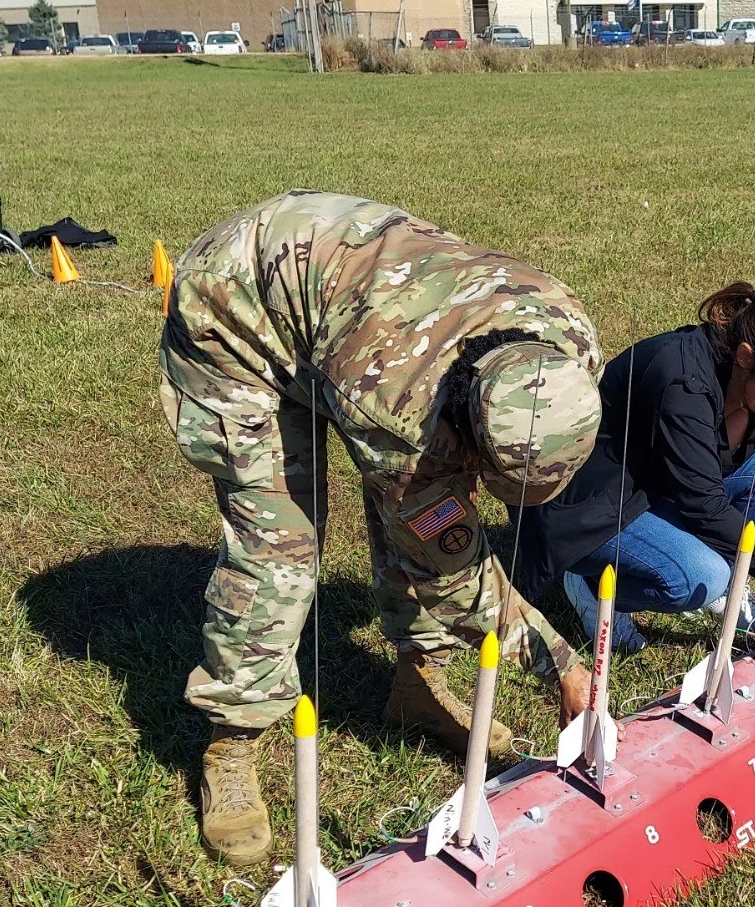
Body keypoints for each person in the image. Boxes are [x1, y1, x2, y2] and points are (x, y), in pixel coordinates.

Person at [161, 190, 603, 866]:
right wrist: (559, 664)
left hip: (350, 311)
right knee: (280, 546)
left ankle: (416, 685)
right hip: (237, 314)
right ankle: (233, 737)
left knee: (419, 513)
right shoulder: (399, 414)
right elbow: (452, 579)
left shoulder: (567, 340)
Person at [521, 284, 755, 652]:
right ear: (745, 356)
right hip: (591, 510)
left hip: (658, 489)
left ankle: (729, 588)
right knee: (704, 575)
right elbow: (704, 506)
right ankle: (595, 585)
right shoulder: (682, 383)